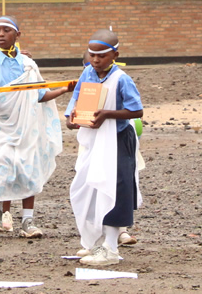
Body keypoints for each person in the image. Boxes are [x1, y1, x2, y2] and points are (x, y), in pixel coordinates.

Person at [0, 16, 74, 237]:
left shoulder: (29, 65)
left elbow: (40, 95)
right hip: (3, 126)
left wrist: (62, 90)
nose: (0, 34)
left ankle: (27, 220)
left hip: (27, 127)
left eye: (5, 30)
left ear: (17, 35)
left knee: (28, 168)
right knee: (1, 163)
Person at [66, 29, 144, 266]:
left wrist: (108, 114)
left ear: (115, 55)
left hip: (118, 140)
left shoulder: (122, 79)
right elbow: (75, 101)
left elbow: (136, 110)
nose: (96, 60)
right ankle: (95, 241)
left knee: (116, 188)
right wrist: (70, 118)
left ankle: (111, 247)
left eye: (102, 55)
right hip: (94, 141)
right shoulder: (87, 73)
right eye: (92, 55)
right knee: (91, 186)